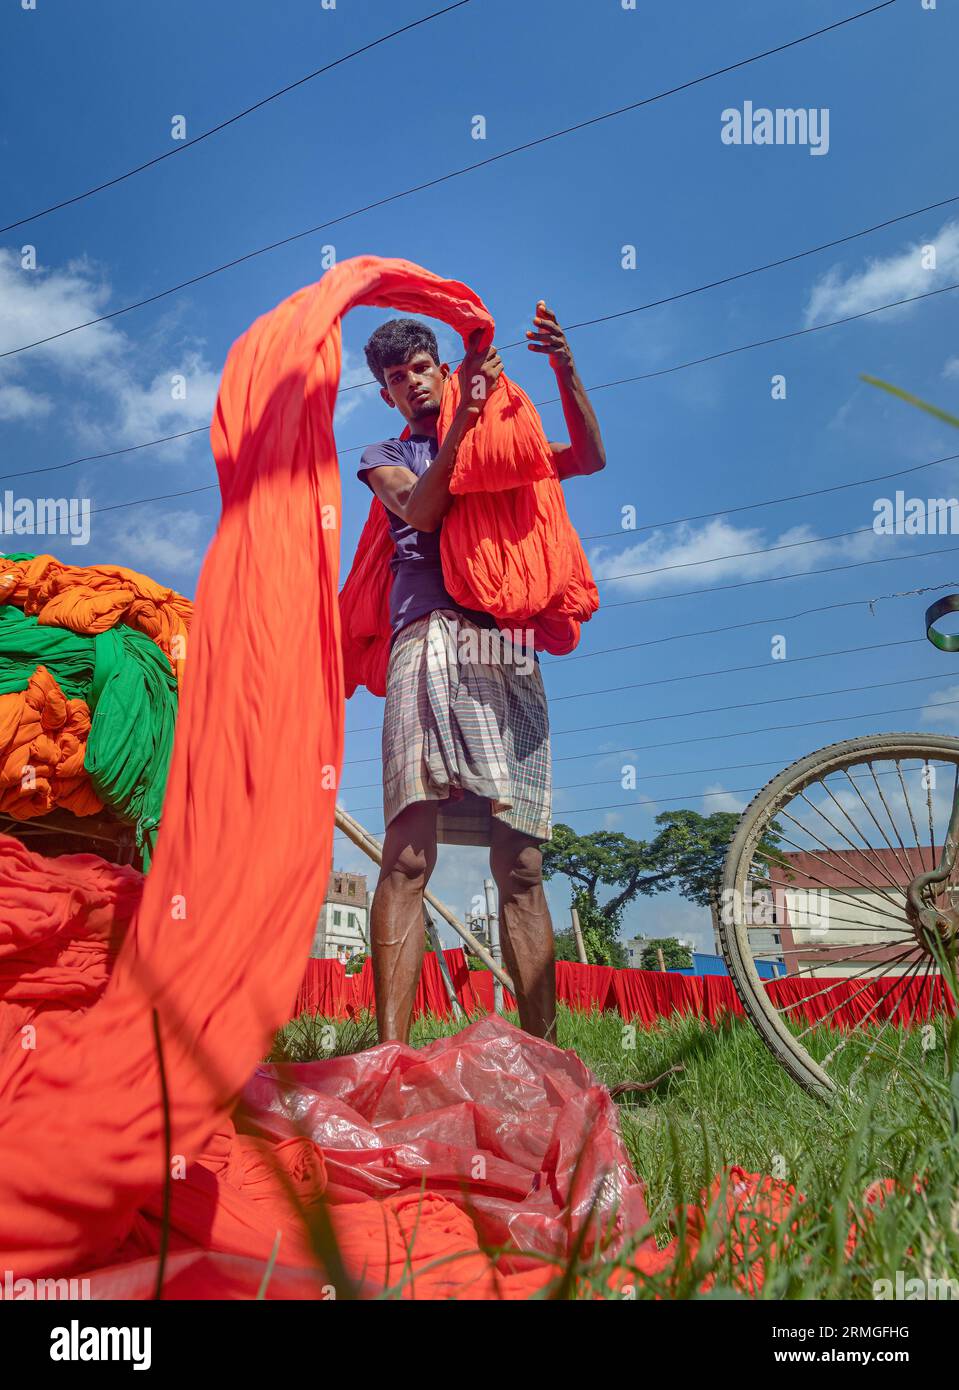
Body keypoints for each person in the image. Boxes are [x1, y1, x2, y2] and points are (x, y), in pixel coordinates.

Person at [357, 301, 606, 1044]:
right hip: (428, 638)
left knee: (522, 862)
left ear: (443, 367)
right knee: (407, 853)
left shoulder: (502, 444)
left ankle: (543, 1059)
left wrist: (563, 367)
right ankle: (389, 1058)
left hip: (503, 643)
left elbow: (587, 458)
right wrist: (462, 421)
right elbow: (426, 514)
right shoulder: (384, 454)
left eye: (422, 369)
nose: (412, 385)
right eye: (397, 379)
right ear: (386, 394)